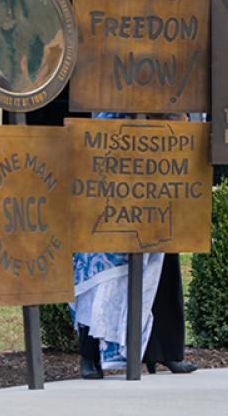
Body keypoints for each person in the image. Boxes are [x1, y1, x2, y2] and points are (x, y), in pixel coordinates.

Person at [73, 112, 197, 379]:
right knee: (100, 272)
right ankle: (90, 355)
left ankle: (165, 353)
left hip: (157, 159)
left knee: (162, 268)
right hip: (112, 154)